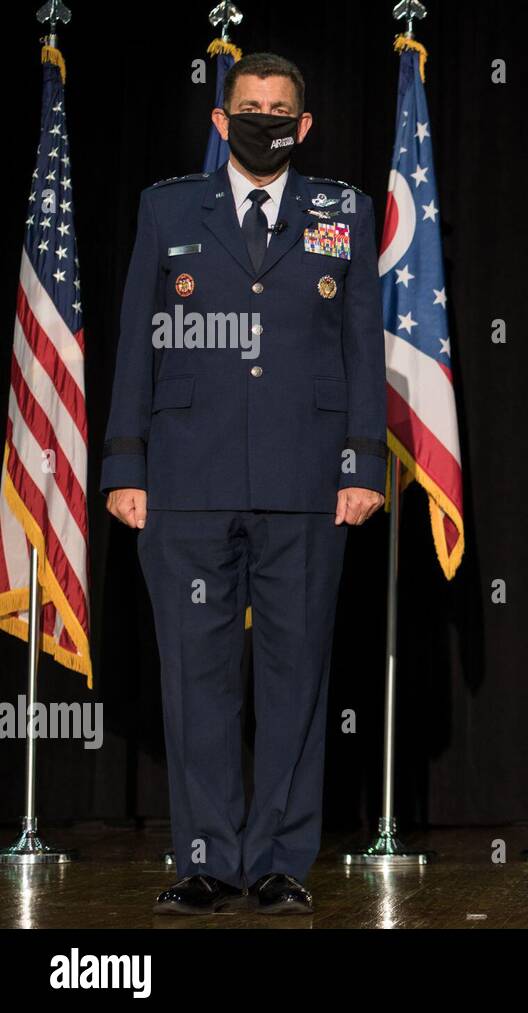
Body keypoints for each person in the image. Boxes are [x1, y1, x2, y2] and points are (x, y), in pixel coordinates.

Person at [101, 52, 387, 915]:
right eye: (249, 108)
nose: (265, 121)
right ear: (221, 121)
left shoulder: (345, 211)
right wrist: (125, 463)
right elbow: (135, 343)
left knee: (296, 676)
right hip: (187, 478)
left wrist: (362, 462)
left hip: (306, 481)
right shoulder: (166, 207)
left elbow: (361, 345)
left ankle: (278, 861)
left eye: (281, 110)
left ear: (303, 126)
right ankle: (203, 860)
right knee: (197, 677)